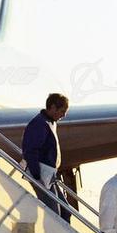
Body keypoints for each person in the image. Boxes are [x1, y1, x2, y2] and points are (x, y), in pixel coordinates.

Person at [22, 93, 71, 222]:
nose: (64, 115)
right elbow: (30, 150)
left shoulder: (51, 122)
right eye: (62, 111)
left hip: (50, 174)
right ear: (53, 107)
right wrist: (37, 175)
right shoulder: (39, 123)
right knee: (53, 212)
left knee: (66, 210)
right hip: (41, 174)